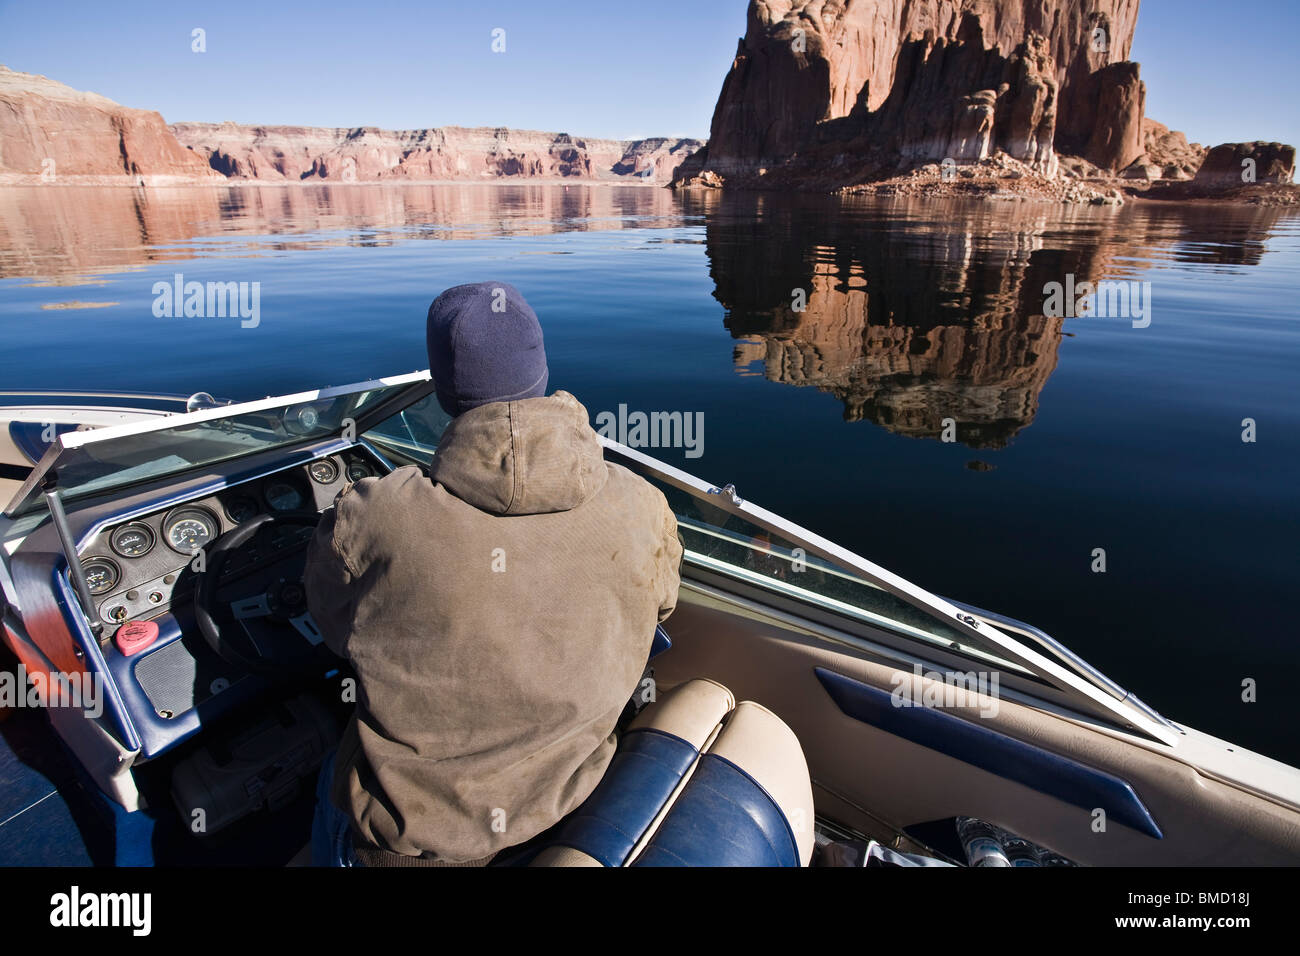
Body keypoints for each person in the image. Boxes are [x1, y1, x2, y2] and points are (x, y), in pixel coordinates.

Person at [304, 281, 683, 866]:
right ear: (542, 369)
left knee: (329, 769)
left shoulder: (376, 515)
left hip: (416, 843)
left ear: (443, 389)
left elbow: (334, 627)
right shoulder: (644, 504)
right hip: (577, 792)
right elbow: (658, 612)